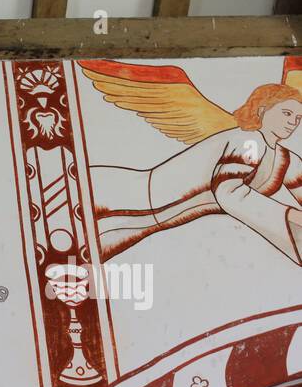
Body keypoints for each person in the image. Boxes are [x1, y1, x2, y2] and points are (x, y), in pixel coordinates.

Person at [81, 69, 302, 263]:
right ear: (262, 111)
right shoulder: (248, 141)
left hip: (145, 223)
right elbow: (229, 193)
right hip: (120, 196)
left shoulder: (284, 159)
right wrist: (292, 216)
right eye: (287, 113)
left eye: (299, 117)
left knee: (74, 258)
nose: (293, 122)